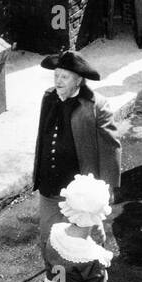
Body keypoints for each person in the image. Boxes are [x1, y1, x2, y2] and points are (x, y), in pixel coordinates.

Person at [32, 52, 121, 249]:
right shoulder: (48, 97)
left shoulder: (96, 105)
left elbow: (110, 148)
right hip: (50, 184)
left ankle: (96, 268)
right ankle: (54, 279)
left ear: (78, 80)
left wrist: (107, 186)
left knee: (86, 240)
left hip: (80, 189)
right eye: (56, 75)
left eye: (64, 77)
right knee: (48, 239)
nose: (58, 81)